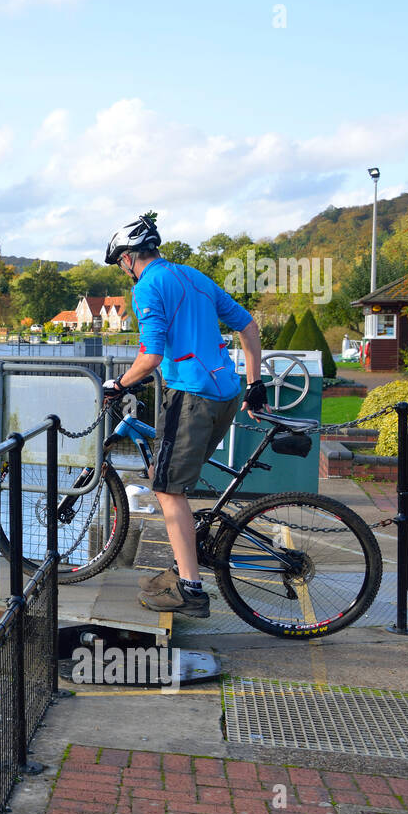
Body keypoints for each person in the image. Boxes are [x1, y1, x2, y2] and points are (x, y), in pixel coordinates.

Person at [99, 213, 266, 617]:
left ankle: (190, 589)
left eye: (122, 260)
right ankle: (182, 567)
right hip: (226, 391)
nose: (124, 269)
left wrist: (119, 384)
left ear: (128, 257)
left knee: (168, 488)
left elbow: (151, 355)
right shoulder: (193, 276)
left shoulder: (148, 287)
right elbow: (249, 327)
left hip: (193, 395)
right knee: (175, 479)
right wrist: (256, 383)